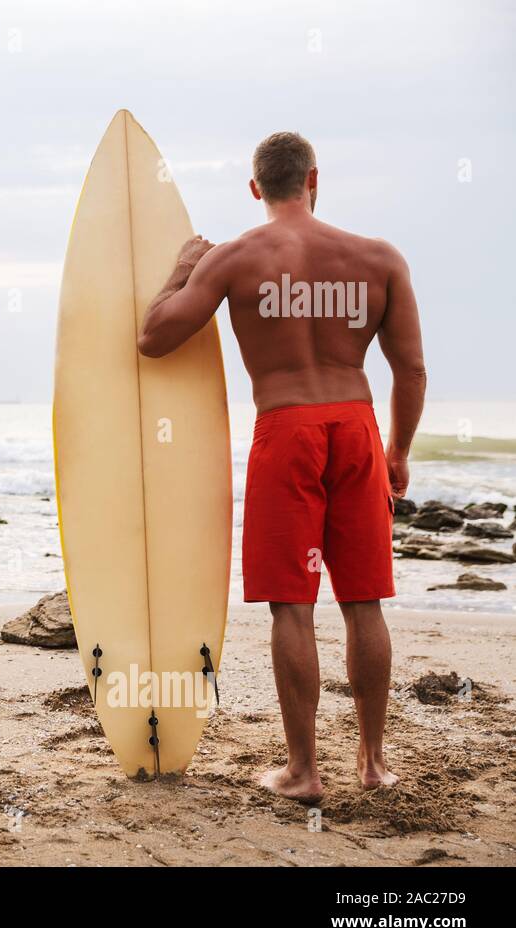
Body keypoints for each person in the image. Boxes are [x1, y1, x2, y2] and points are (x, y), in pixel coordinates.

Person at [138, 131, 426, 802]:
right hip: (355, 427)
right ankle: (374, 763)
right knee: (365, 602)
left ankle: (303, 773)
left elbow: (153, 338)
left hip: (286, 428)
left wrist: (181, 269)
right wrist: (398, 453)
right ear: (314, 179)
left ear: (254, 189)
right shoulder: (378, 258)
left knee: (291, 607)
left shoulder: (237, 258)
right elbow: (409, 368)